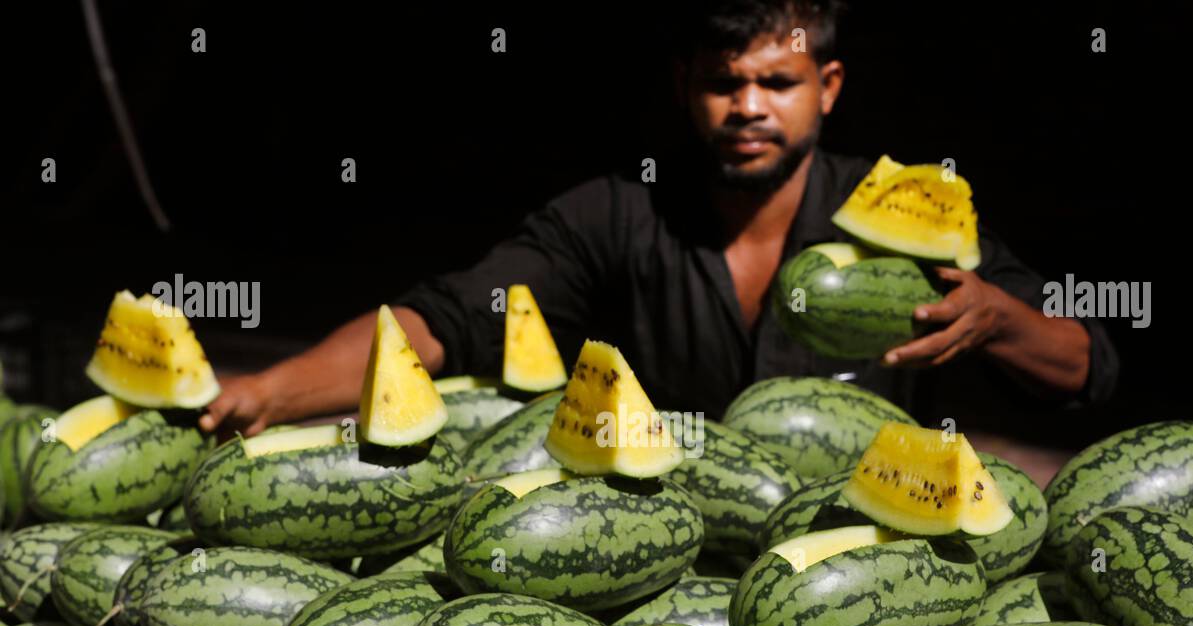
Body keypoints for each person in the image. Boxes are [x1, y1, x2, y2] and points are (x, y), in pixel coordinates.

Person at [200, 0, 1117, 437]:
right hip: (665, 547)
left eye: (777, 82)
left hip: (861, 547)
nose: (749, 107)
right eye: (724, 84)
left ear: (827, 87)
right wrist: (267, 393)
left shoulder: (899, 213)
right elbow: (441, 322)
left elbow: (1086, 367)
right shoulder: (618, 214)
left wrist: (999, 321)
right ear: (686, 88)